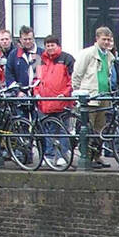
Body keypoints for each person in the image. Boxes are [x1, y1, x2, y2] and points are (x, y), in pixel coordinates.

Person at [72, 25, 117, 168]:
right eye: (104, 39)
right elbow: (77, 74)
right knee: (88, 127)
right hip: (90, 96)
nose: (106, 42)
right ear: (97, 39)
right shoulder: (87, 54)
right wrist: (78, 93)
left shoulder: (110, 56)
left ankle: (97, 156)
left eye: (109, 40)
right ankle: (87, 157)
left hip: (104, 96)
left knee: (100, 128)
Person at [33, 36, 74, 168]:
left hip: (61, 101)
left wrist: (66, 93)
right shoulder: (40, 60)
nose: (50, 48)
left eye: (52, 45)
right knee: (47, 130)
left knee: (63, 129)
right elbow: (36, 79)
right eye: (47, 45)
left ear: (58, 45)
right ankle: (49, 155)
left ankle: (62, 155)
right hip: (45, 101)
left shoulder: (67, 59)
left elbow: (73, 79)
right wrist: (36, 92)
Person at [4, 25, 41, 91]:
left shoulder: (42, 54)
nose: (27, 42)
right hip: (19, 97)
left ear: (34, 39)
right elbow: (9, 76)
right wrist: (17, 92)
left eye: (30, 39)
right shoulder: (13, 55)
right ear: (20, 39)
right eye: (25, 39)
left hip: (38, 94)